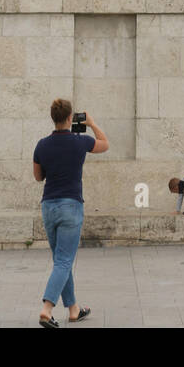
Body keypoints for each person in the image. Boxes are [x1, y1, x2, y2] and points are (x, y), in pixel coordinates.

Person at [33, 98, 109, 328]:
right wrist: (92, 123)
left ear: (53, 118)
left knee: (60, 260)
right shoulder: (80, 142)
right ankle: (47, 309)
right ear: (69, 118)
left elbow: (38, 177)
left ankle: (74, 309)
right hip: (71, 206)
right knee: (65, 261)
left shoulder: (42, 145)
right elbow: (104, 143)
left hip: (49, 206)